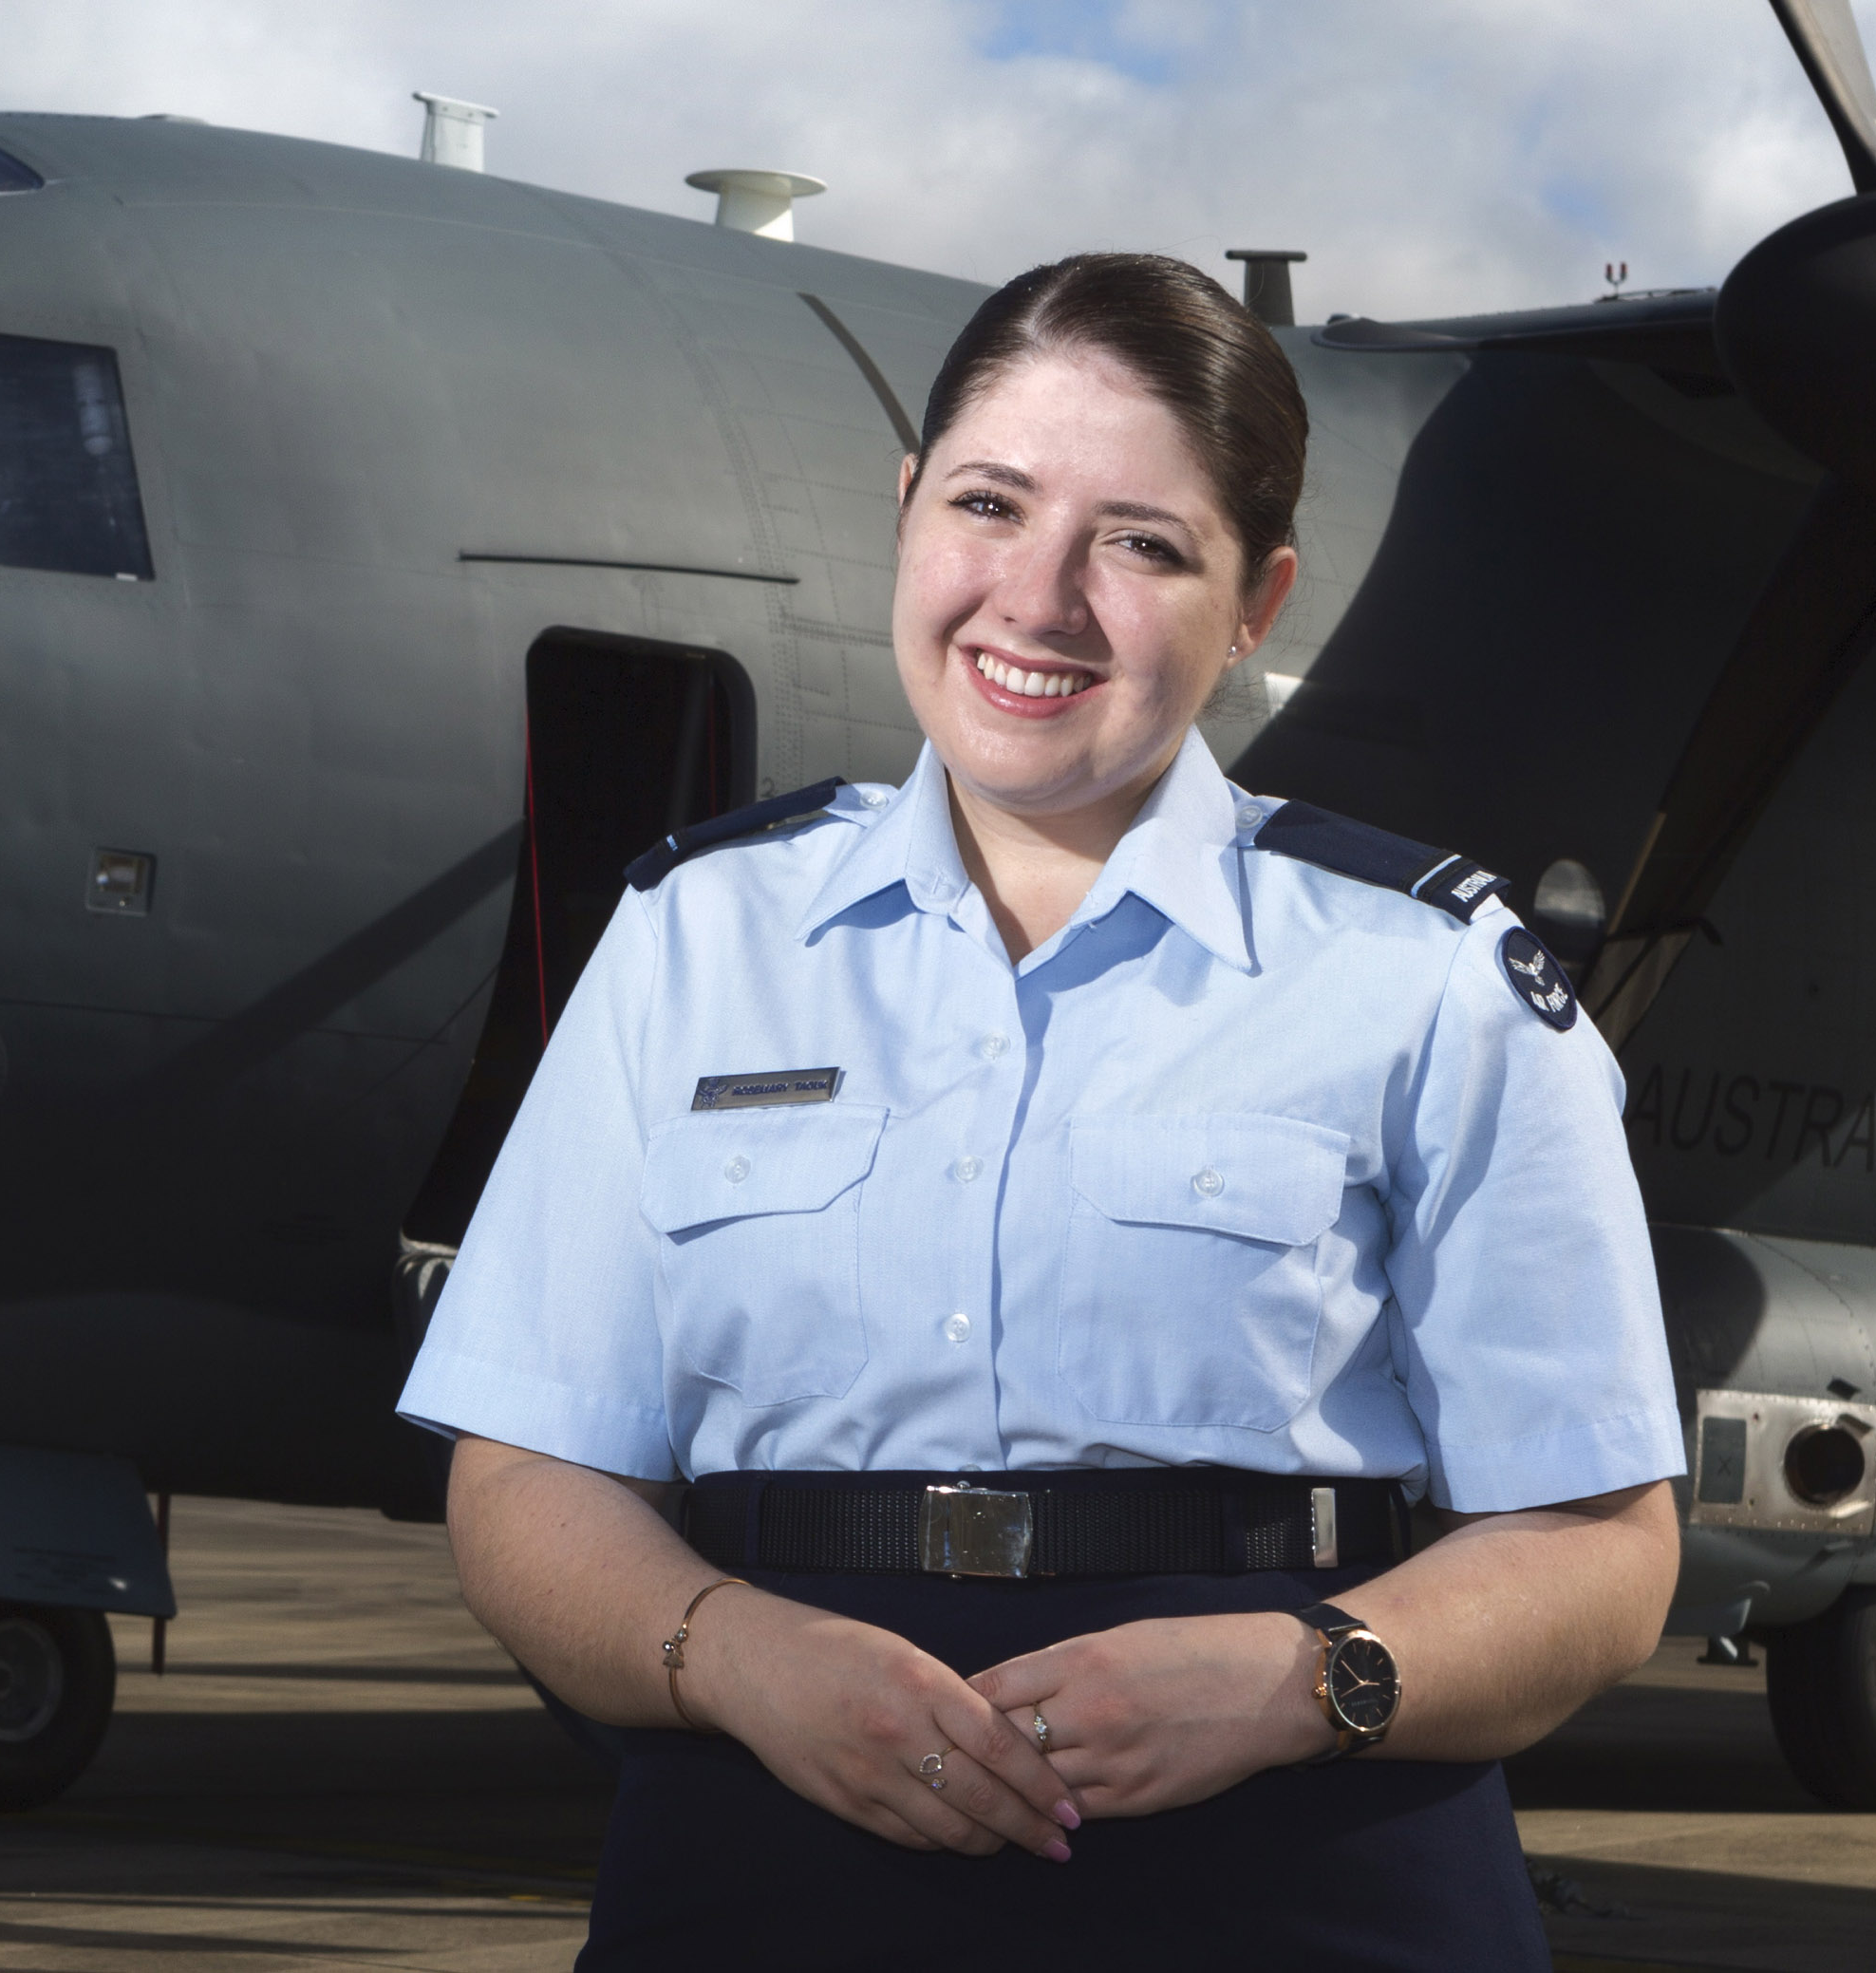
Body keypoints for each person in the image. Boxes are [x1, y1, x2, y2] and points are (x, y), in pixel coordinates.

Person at [397, 252, 1683, 1968]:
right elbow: (525, 1471)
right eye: (991, 504)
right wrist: (734, 1652)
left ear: (1257, 604)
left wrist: (1310, 1677)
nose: (1042, 597)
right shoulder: (691, 939)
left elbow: (1603, 1543)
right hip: (770, 1848)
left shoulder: (1427, 972)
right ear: (907, 505)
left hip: (1294, 1871)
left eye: (1142, 543)